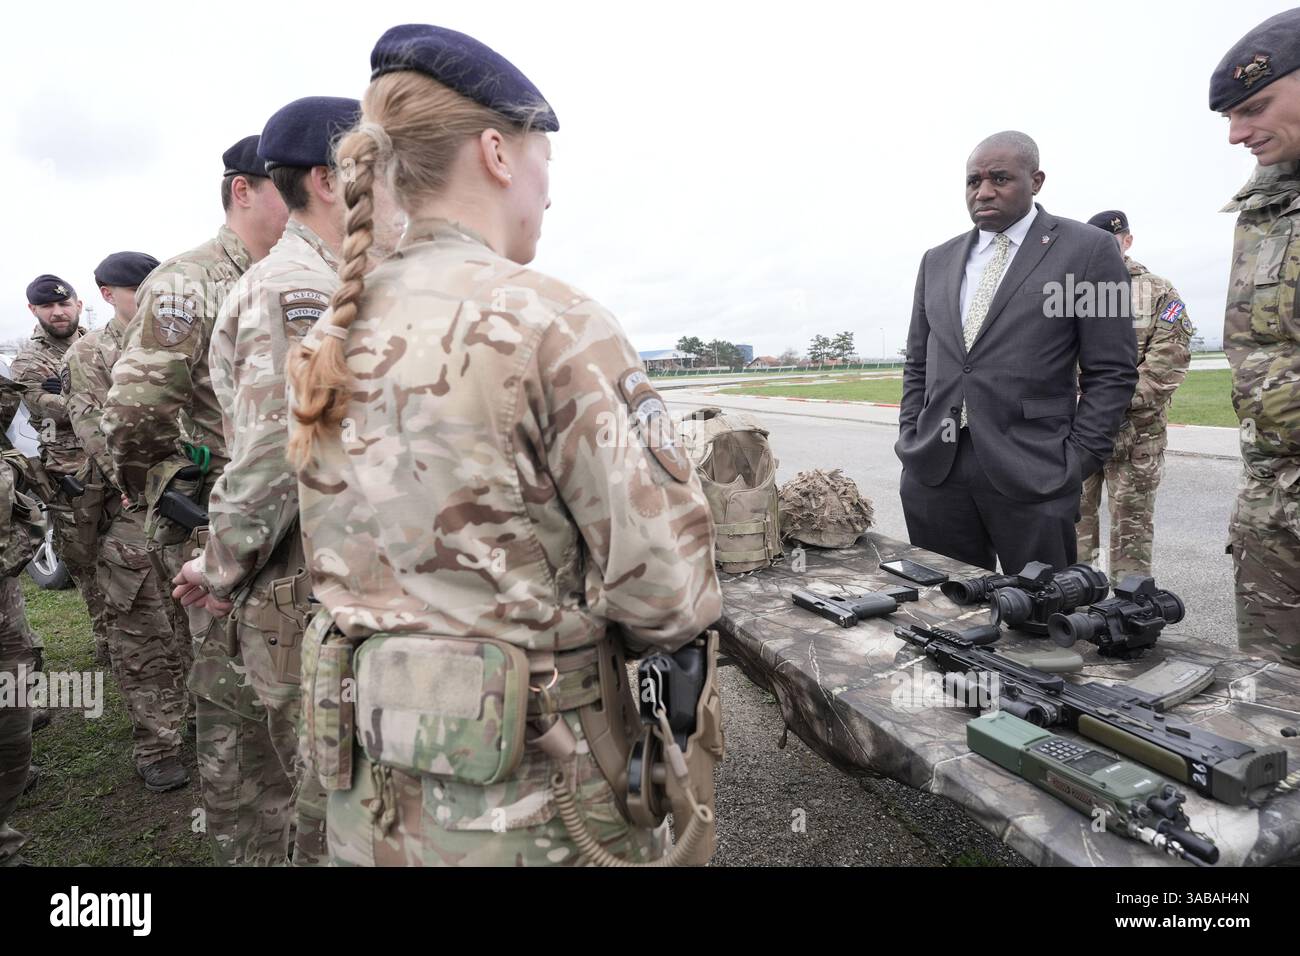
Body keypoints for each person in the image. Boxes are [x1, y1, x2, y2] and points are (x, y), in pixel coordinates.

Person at [286, 23, 722, 866]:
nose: (548, 193)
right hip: (533, 809)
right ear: (495, 152)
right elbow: (664, 593)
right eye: (543, 162)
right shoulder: (550, 321)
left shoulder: (328, 340)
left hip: (366, 802)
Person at [171, 96, 376, 865]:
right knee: (331, 798)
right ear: (327, 181)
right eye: (372, 167)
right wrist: (219, 568)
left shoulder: (337, 278)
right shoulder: (295, 290)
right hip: (304, 590)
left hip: (335, 583)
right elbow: (273, 456)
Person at [102, 135, 288, 862]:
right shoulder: (192, 282)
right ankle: (246, 845)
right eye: (290, 185)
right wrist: (170, 493)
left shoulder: (301, 275)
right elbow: (135, 414)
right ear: (243, 190)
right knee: (237, 710)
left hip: (298, 533)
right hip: (225, 533)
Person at [895, 131, 1138, 574]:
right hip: (935, 469)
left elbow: (1114, 371)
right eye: (973, 181)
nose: (983, 192)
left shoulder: (1088, 251)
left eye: (1000, 178)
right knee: (945, 616)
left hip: (1034, 471)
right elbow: (917, 362)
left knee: (1041, 626)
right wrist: (910, 434)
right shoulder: (937, 260)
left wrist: (1076, 461)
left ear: (1036, 180)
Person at [63, 251, 190, 792]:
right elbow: (100, 435)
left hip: (186, 511)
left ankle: (200, 722)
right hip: (133, 512)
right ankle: (157, 744)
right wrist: (168, 478)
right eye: (140, 288)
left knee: (192, 624)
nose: (151, 296)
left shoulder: (179, 339)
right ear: (108, 293)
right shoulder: (91, 353)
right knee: (143, 636)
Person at [1211, 9, 1300, 665]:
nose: (1238, 133)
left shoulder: (1156, 290)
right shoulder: (1262, 208)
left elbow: (1166, 352)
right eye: (1230, 117)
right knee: (1272, 706)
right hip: (1272, 508)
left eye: (1256, 107)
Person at [1076, 210, 1193, 582]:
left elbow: (1168, 361)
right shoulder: (1071, 293)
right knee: (1072, 528)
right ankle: (1074, 606)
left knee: (1132, 536)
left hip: (1136, 436)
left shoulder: (1158, 291)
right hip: (1077, 432)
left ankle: (1127, 618)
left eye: (1110, 243)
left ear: (1127, 240)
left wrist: (1107, 404)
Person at [13, 276, 110, 669]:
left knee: (130, 552)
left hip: (112, 463)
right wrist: (98, 395)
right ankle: (108, 640)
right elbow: (46, 408)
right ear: (33, 310)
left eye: (64, 303)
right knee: (87, 561)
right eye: (47, 306)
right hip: (70, 474)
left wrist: (73, 393)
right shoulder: (28, 360)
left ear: (78, 302)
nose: (58, 312)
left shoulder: (100, 338)